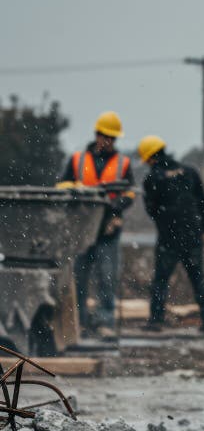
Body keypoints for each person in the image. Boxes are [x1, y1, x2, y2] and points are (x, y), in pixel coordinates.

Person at [62, 111, 134, 339]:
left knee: (107, 278)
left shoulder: (123, 163)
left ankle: (105, 322)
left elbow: (130, 192)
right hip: (82, 229)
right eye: (106, 137)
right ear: (97, 135)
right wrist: (77, 190)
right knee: (79, 278)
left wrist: (117, 208)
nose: (109, 142)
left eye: (113, 138)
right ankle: (80, 322)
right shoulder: (77, 160)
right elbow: (62, 186)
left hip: (107, 231)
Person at [137, 136, 204, 334]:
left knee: (161, 280)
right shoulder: (190, 173)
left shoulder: (152, 179)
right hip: (192, 236)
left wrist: (167, 222)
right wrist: (203, 230)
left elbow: (151, 209)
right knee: (198, 279)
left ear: (150, 158)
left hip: (168, 238)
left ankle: (156, 321)